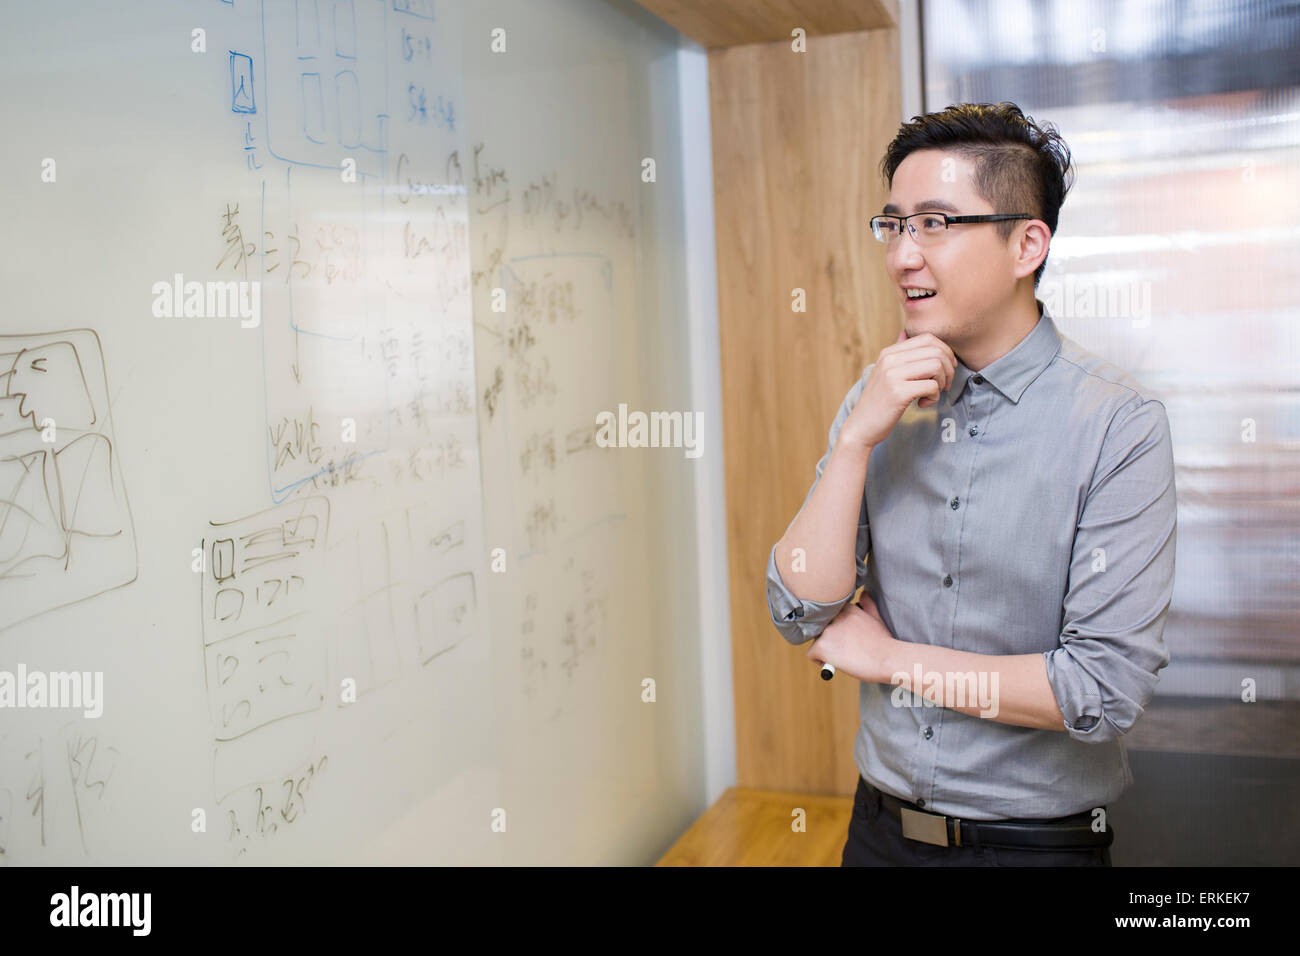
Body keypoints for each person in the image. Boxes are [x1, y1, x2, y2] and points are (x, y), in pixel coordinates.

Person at [765, 102, 1176, 866]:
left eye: (935, 223)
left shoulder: (1119, 424)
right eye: (894, 225)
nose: (902, 255)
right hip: (878, 833)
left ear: (1027, 244)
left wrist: (891, 660)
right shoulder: (882, 399)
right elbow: (798, 611)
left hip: (1033, 849)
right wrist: (855, 440)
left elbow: (1100, 688)